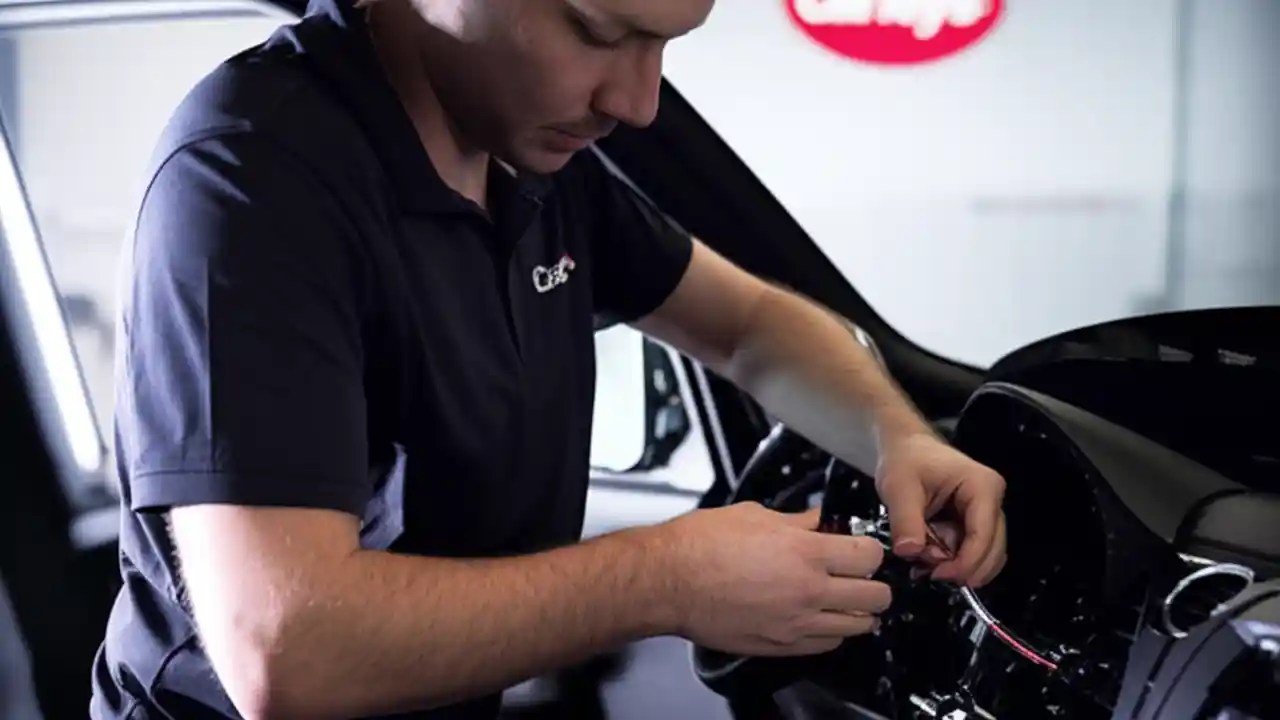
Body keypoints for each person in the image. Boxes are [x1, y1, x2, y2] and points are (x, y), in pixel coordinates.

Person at [89, 0, 1008, 718]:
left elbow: (751, 325)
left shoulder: (531, 160)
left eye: (664, 46)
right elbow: (287, 653)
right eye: (599, 33)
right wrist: (670, 579)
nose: (637, 103)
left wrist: (896, 441)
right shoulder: (252, 175)